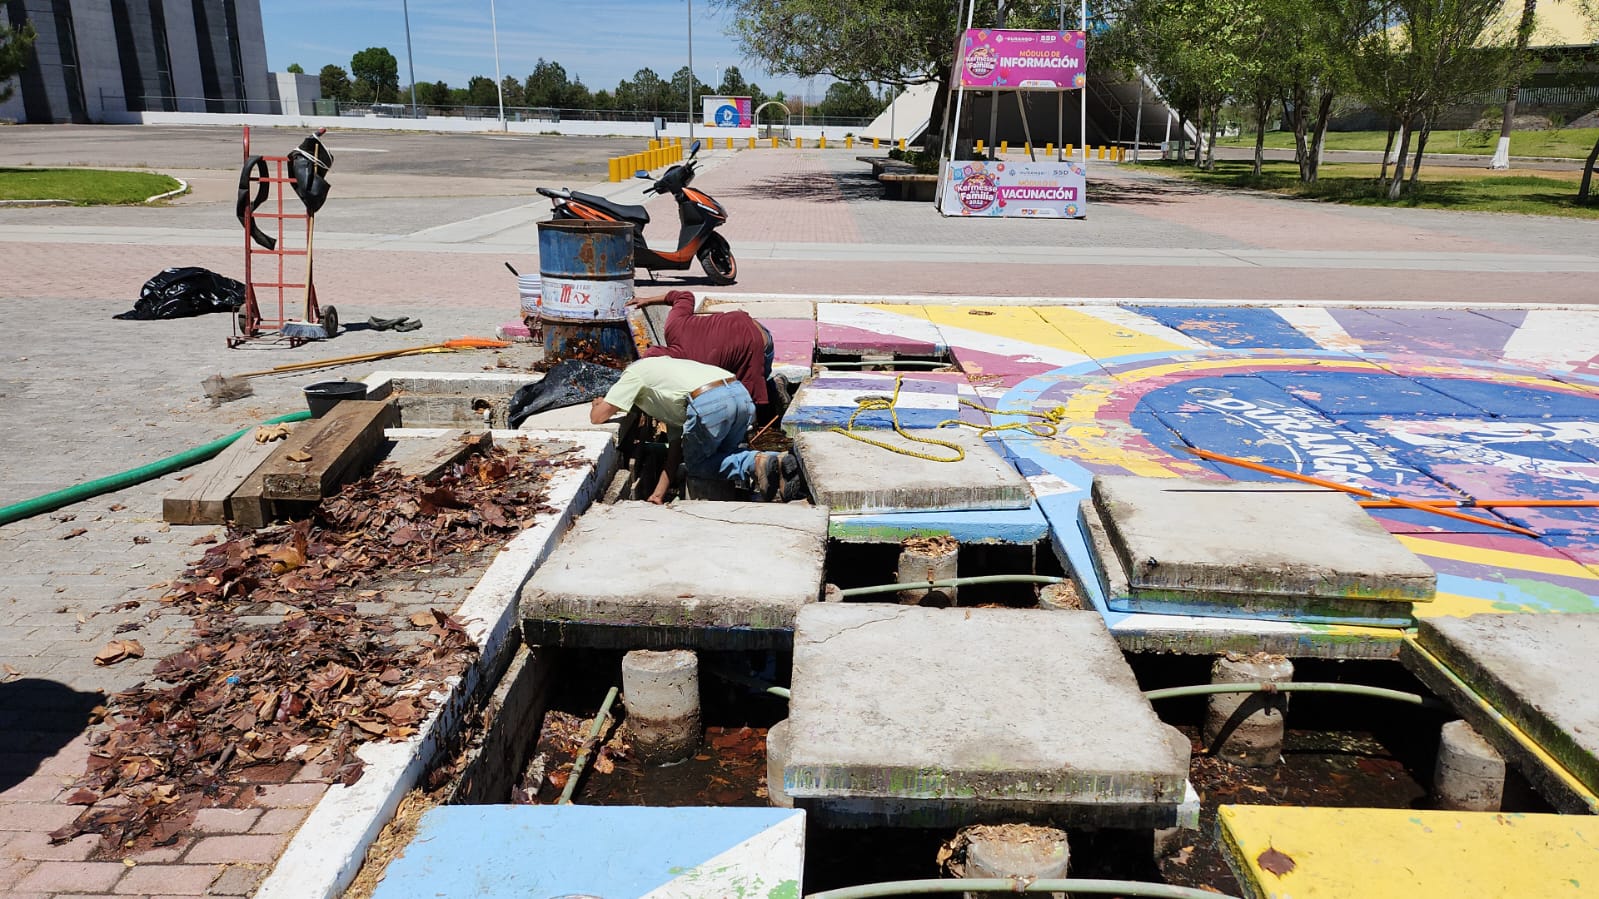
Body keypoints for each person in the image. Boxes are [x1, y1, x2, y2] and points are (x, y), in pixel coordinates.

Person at [590, 356, 801, 504]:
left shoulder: (632, 373)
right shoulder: (667, 390)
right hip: (738, 392)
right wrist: (658, 495)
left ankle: (755, 461)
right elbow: (675, 453)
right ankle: (777, 460)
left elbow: (598, 418)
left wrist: (598, 403)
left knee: (699, 465)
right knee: (721, 457)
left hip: (708, 400)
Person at [628, 290, 788, 420]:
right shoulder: (674, 325)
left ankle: (773, 391)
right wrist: (647, 300)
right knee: (745, 381)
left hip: (755, 348)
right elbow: (683, 296)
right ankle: (774, 386)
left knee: (743, 397)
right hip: (758, 330)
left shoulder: (692, 367)